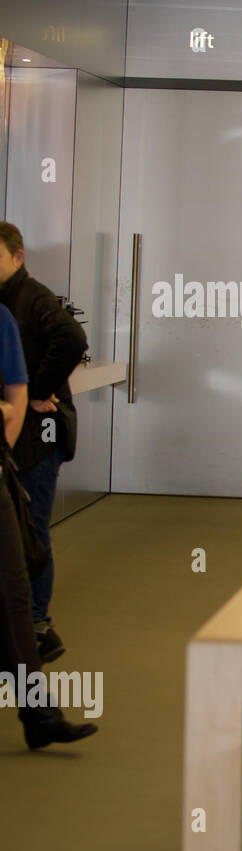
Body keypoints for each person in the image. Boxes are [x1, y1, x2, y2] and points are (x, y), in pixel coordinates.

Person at [0, 303, 96, 748]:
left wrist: (4, 447)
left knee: (16, 594)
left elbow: (17, 394)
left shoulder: (3, 317)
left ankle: (38, 713)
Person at [0, 222, 88, 663]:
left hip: (39, 436)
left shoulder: (31, 297)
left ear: (18, 257)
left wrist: (36, 390)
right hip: (16, 435)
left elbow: (73, 339)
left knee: (30, 531)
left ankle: (38, 625)